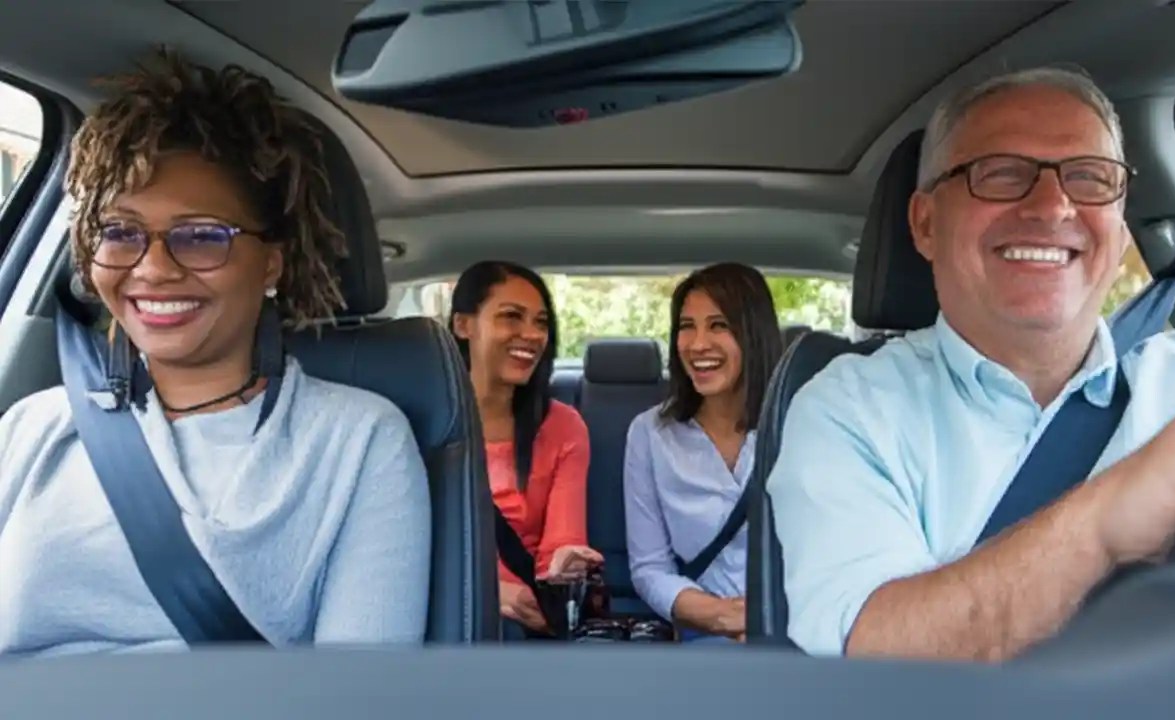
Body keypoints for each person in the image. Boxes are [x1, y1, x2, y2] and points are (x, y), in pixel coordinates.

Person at [768, 66, 1175, 661]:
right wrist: (1123, 507)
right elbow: (876, 662)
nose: (1053, 205)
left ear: (1119, 228)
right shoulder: (847, 407)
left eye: (1089, 177)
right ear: (926, 223)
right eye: (1003, 173)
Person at [0, 48, 432, 655]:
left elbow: (356, 696)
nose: (152, 269)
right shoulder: (30, 430)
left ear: (272, 263)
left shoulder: (358, 442)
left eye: (202, 236)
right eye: (121, 232)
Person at [624, 263, 784, 643]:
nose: (697, 345)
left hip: (796, 623)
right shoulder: (649, 434)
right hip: (706, 630)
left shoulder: (802, 423)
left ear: (753, 334)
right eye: (686, 326)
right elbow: (649, 568)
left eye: (718, 325)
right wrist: (720, 617)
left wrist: (771, 618)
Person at [449, 261, 603, 637]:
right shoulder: (421, 422)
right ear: (463, 324)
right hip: (446, 603)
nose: (531, 335)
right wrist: (486, 592)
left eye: (541, 323)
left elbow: (561, 545)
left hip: (521, 617)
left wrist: (565, 568)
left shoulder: (562, 427)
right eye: (512, 317)